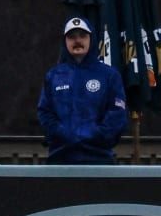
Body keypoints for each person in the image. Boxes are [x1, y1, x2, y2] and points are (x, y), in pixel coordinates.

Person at [37, 17, 127, 163]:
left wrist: (96, 135)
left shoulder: (109, 75)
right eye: (72, 37)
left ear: (91, 39)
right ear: (65, 41)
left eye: (82, 36)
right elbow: (45, 113)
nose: (77, 40)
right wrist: (63, 134)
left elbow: (117, 114)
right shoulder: (53, 76)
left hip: (99, 158)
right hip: (60, 158)